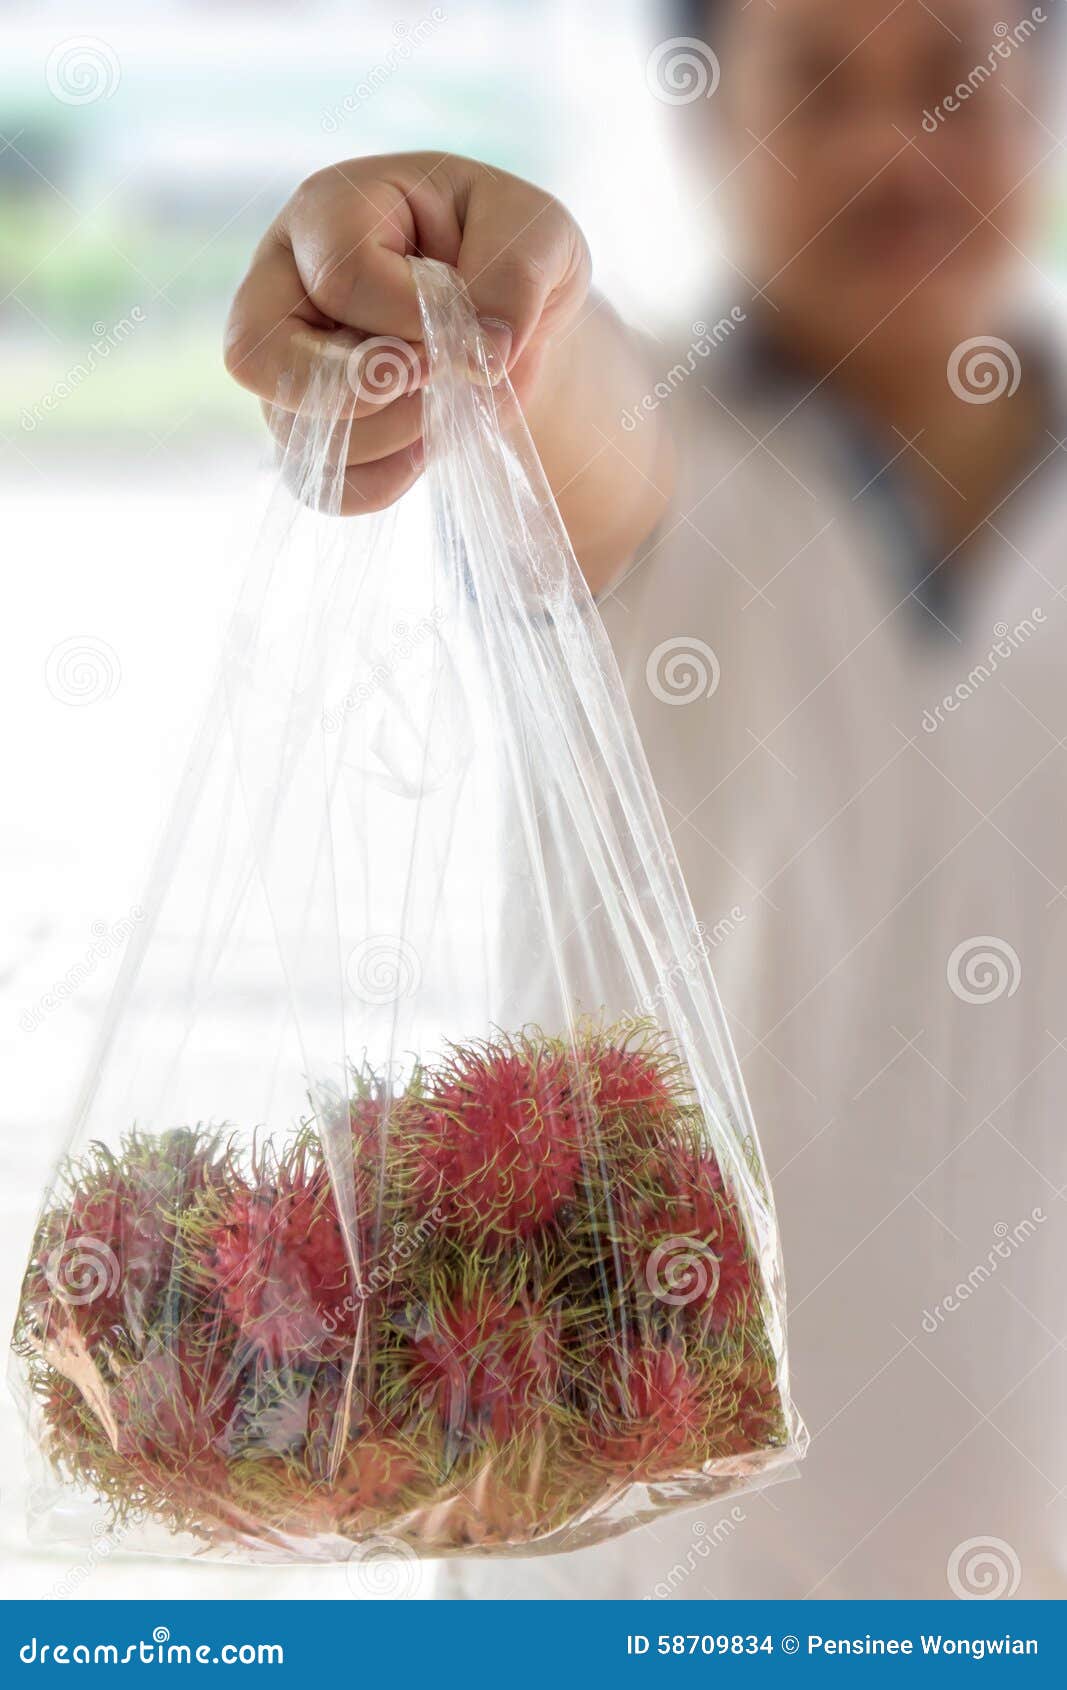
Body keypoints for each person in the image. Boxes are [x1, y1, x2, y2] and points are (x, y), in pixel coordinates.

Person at [224, 0, 1067, 1598]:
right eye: (819, 85)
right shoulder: (669, 443)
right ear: (709, 124)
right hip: (626, 1611)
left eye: (955, 82)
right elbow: (569, 430)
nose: (898, 148)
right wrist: (485, 297)